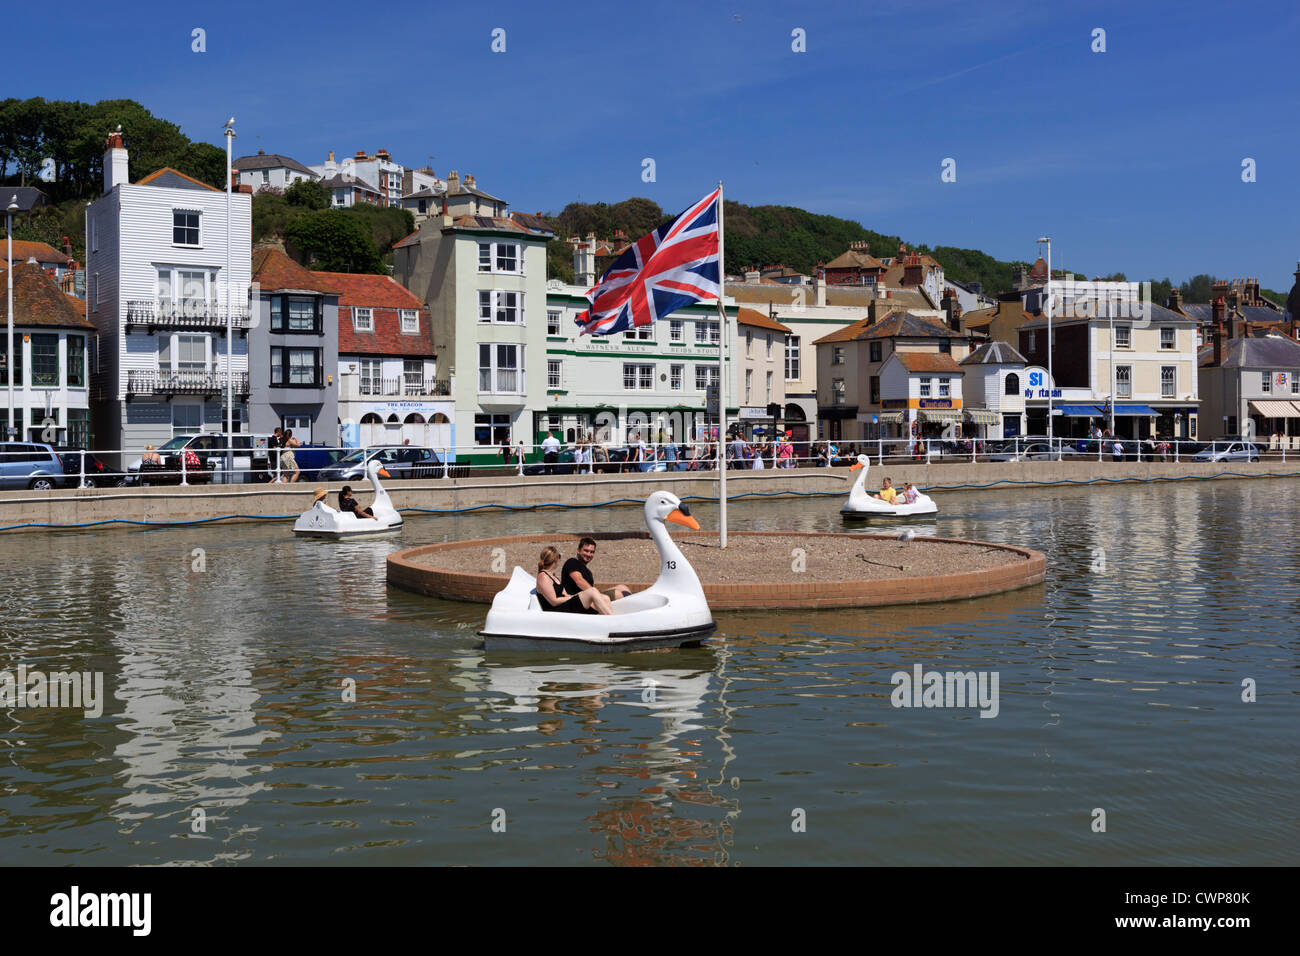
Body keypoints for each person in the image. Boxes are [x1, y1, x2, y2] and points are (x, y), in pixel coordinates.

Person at [535, 546, 612, 614]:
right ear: (556, 559)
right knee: (592, 591)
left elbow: (565, 594)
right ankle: (612, 620)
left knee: (605, 598)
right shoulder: (543, 576)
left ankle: (605, 622)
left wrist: (575, 596)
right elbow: (554, 601)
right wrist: (574, 597)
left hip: (565, 605)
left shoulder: (553, 576)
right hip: (557, 610)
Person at [565, 536, 632, 604]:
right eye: (586, 551)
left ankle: (632, 609)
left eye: (592, 552)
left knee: (622, 587)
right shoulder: (572, 562)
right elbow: (579, 581)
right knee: (616, 594)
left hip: (590, 596)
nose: (589, 554)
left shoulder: (588, 572)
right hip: (577, 601)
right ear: (578, 550)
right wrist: (598, 595)